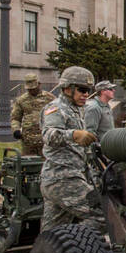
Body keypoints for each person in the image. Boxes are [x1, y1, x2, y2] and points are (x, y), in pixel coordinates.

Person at [40, 66, 106, 234]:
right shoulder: (55, 108)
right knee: (104, 215)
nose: (86, 94)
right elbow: (49, 135)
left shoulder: (78, 110)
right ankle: (76, 242)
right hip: (62, 178)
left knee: (52, 231)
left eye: (88, 90)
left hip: (68, 177)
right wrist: (74, 135)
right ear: (68, 89)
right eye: (82, 90)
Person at [10, 72, 53, 156]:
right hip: (28, 140)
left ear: (39, 84)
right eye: (29, 89)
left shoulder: (50, 98)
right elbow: (15, 118)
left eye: (33, 88)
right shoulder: (21, 100)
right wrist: (16, 130)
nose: (31, 91)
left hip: (45, 139)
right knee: (29, 164)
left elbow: (56, 116)